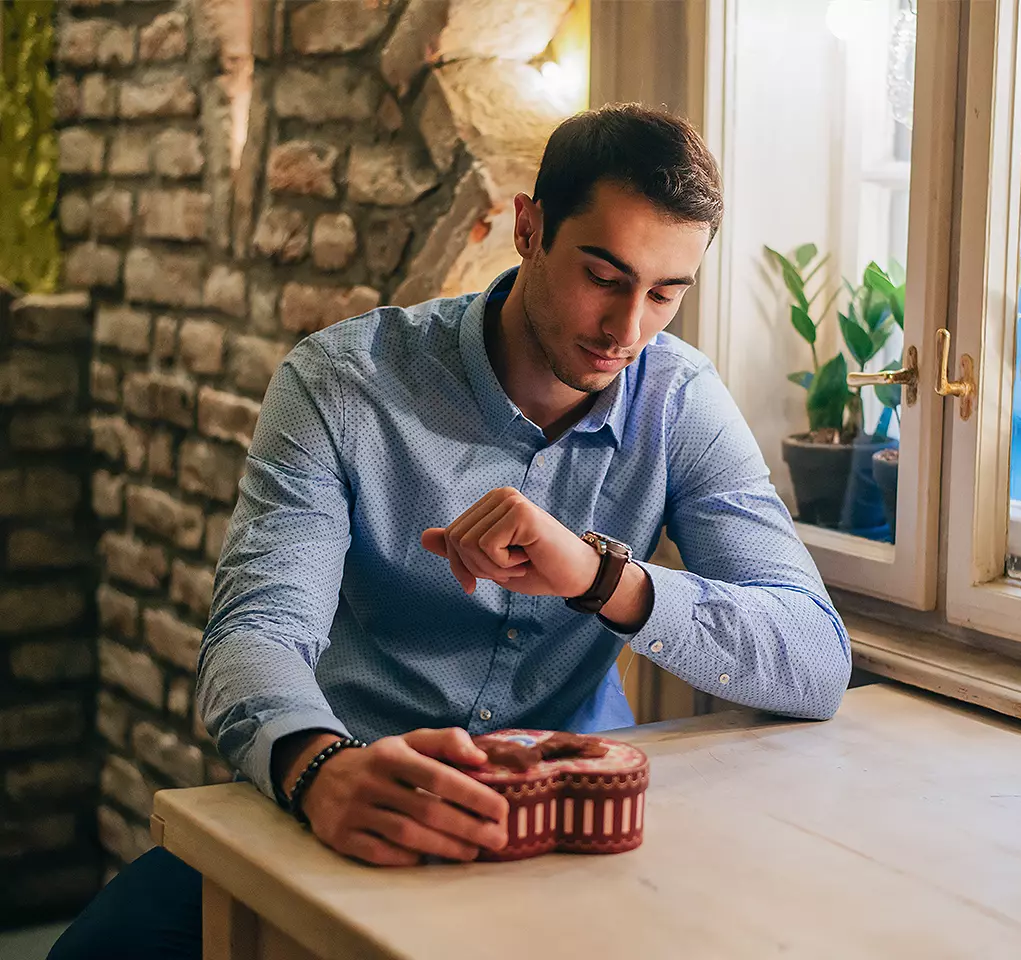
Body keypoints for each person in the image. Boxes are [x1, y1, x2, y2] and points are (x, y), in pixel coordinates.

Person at [50, 102, 851, 958]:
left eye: (665, 293)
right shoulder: (340, 384)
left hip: (565, 823)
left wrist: (598, 577)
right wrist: (319, 769)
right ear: (529, 229)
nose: (629, 329)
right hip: (347, 784)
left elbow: (815, 659)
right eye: (605, 277)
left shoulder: (682, 399)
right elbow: (255, 634)